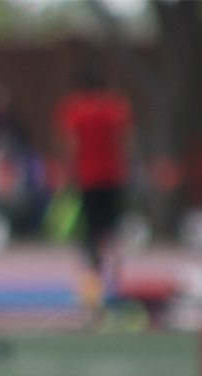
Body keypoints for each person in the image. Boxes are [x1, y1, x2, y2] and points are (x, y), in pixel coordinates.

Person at [53, 68, 132, 289]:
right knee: (111, 220)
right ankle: (116, 264)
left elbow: (71, 143)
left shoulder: (75, 109)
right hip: (113, 172)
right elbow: (123, 140)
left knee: (91, 223)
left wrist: (69, 169)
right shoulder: (116, 108)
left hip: (87, 173)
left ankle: (93, 268)